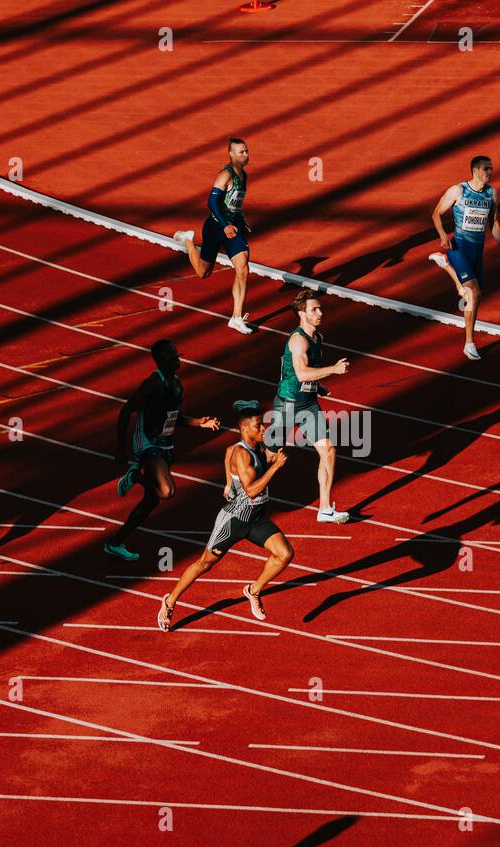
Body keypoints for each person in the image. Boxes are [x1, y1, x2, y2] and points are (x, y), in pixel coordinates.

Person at [158, 401, 292, 630]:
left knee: (285, 554)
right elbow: (250, 490)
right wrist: (275, 468)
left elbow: (233, 454)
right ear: (245, 429)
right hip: (234, 521)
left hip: (256, 519)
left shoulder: (251, 447)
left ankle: (253, 590)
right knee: (204, 564)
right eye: (259, 426)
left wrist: (229, 483)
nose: (263, 429)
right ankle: (169, 602)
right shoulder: (241, 454)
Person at [104, 340, 220, 561]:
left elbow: (172, 418)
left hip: (165, 443)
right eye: (172, 355)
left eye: (177, 353)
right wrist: (121, 447)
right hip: (148, 443)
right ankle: (135, 475)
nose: (178, 358)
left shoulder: (176, 383)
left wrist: (199, 423)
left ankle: (114, 542)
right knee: (166, 491)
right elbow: (126, 410)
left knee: (151, 500)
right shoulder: (153, 384)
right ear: (160, 359)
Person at [270, 289, 350, 523]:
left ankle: (324, 508)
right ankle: (238, 481)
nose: (320, 313)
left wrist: (319, 386)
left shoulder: (318, 338)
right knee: (270, 454)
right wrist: (333, 370)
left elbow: (308, 375)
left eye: (320, 308)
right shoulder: (298, 339)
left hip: (308, 404)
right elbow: (302, 373)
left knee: (328, 450)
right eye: (314, 309)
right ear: (302, 314)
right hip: (288, 403)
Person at [427, 155, 500, 360]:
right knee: (473, 292)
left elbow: (494, 223)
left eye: (491, 169)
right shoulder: (458, 191)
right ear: (475, 170)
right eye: (486, 169)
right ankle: (469, 343)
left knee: (476, 295)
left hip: (477, 250)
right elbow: (436, 214)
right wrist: (442, 236)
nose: (490, 173)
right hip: (459, 247)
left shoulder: (492, 193)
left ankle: (447, 265)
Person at [173, 138, 254, 335]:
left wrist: (241, 220)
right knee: (203, 273)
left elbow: (236, 205)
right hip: (216, 227)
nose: (246, 155)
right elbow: (212, 202)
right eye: (242, 152)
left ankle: (236, 317)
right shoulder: (225, 175)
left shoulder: (244, 176)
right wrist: (225, 226)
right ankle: (188, 241)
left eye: (247, 151)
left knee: (243, 268)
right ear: (231, 154)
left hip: (233, 229)